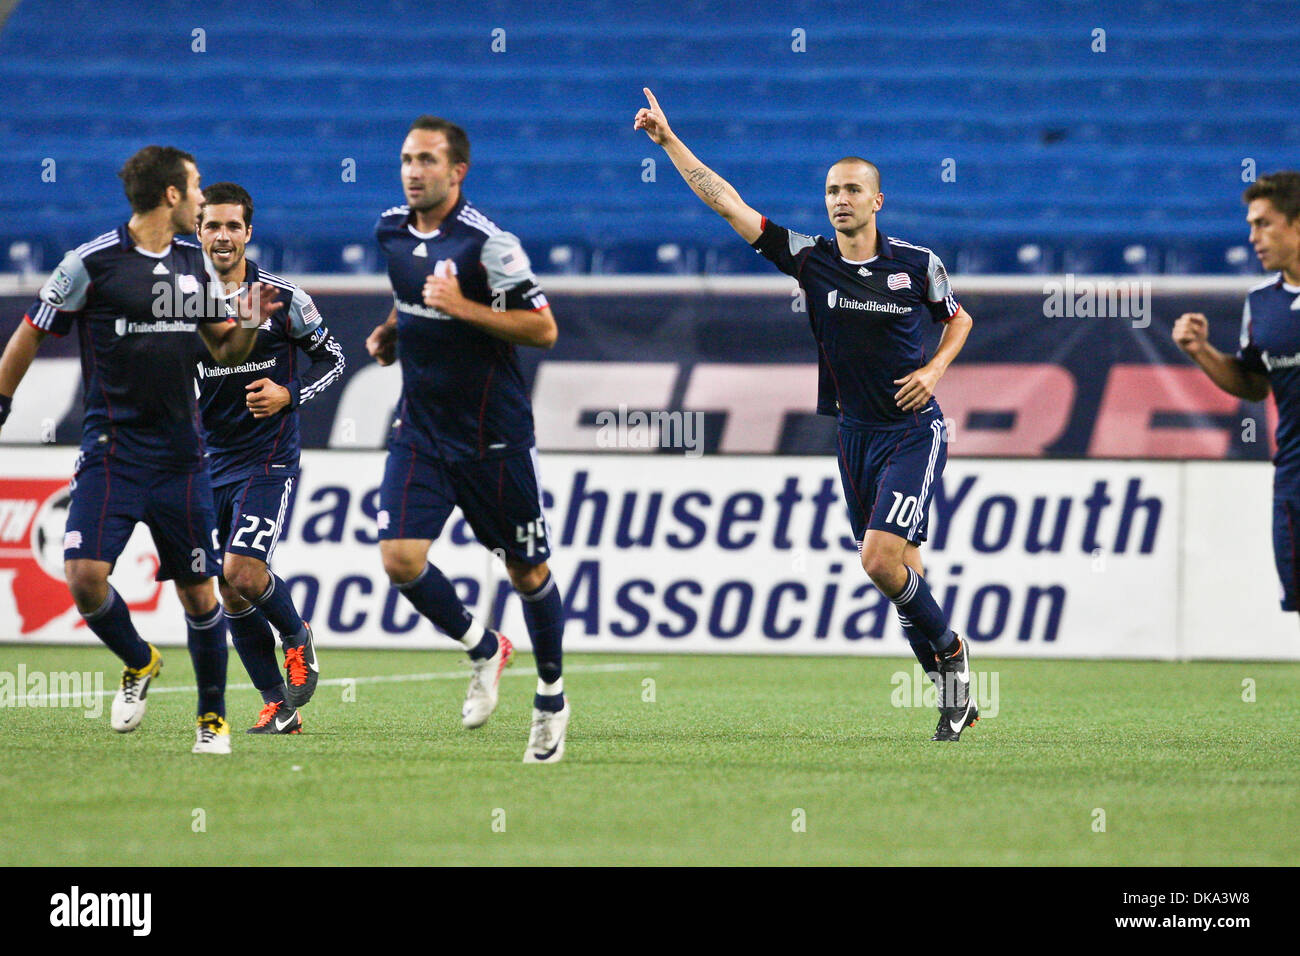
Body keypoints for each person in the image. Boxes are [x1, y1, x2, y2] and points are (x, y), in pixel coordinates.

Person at [635, 88, 979, 741]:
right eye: (830, 190)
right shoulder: (811, 259)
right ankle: (954, 700)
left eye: (852, 189)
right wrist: (670, 143)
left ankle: (956, 657)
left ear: (877, 200)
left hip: (913, 432)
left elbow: (959, 320)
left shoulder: (915, 266)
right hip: (853, 434)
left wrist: (935, 369)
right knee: (905, 578)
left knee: (879, 563)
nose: (839, 199)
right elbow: (729, 204)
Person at [0, 146, 279, 753]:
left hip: (183, 457)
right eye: (197, 187)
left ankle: (212, 719)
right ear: (173, 195)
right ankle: (140, 659)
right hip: (112, 451)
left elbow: (225, 348)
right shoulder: (91, 264)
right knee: (83, 578)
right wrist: (2, 400)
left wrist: (252, 322)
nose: (204, 199)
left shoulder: (193, 264)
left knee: (199, 592)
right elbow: (30, 332)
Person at [365, 116, 569, 762]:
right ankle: (484, 646)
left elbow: (543, 330)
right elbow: (409, 295)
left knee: (527, 570)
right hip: (421, 431)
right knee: (399, 558)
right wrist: (392, 332)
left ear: (457, 172)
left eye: (427, 160)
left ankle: (552, 695)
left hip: (493, 438)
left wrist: (464, 309)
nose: (412, 170)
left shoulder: (491, 246)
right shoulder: (390, 230)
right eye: (406, 159)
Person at [195, 182, 346, 734]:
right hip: (207, 462)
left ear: (248, 233)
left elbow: (333, 360)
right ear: (199, 230)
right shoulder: (184, 301)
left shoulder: (283, 298)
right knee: (228, 593)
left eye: (233, 226)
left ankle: (297, 635)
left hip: (268, 459)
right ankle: (278, 706)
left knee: (241, 570)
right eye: (213, 225)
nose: (224, 236)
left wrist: (289, 395)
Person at [1175, 171, 1300, 617]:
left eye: (1263, 223)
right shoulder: (1263, 304)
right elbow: (1253, 384)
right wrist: (1202, 352)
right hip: (1294, 480)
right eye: (1250, 225)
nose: (1252, 237)